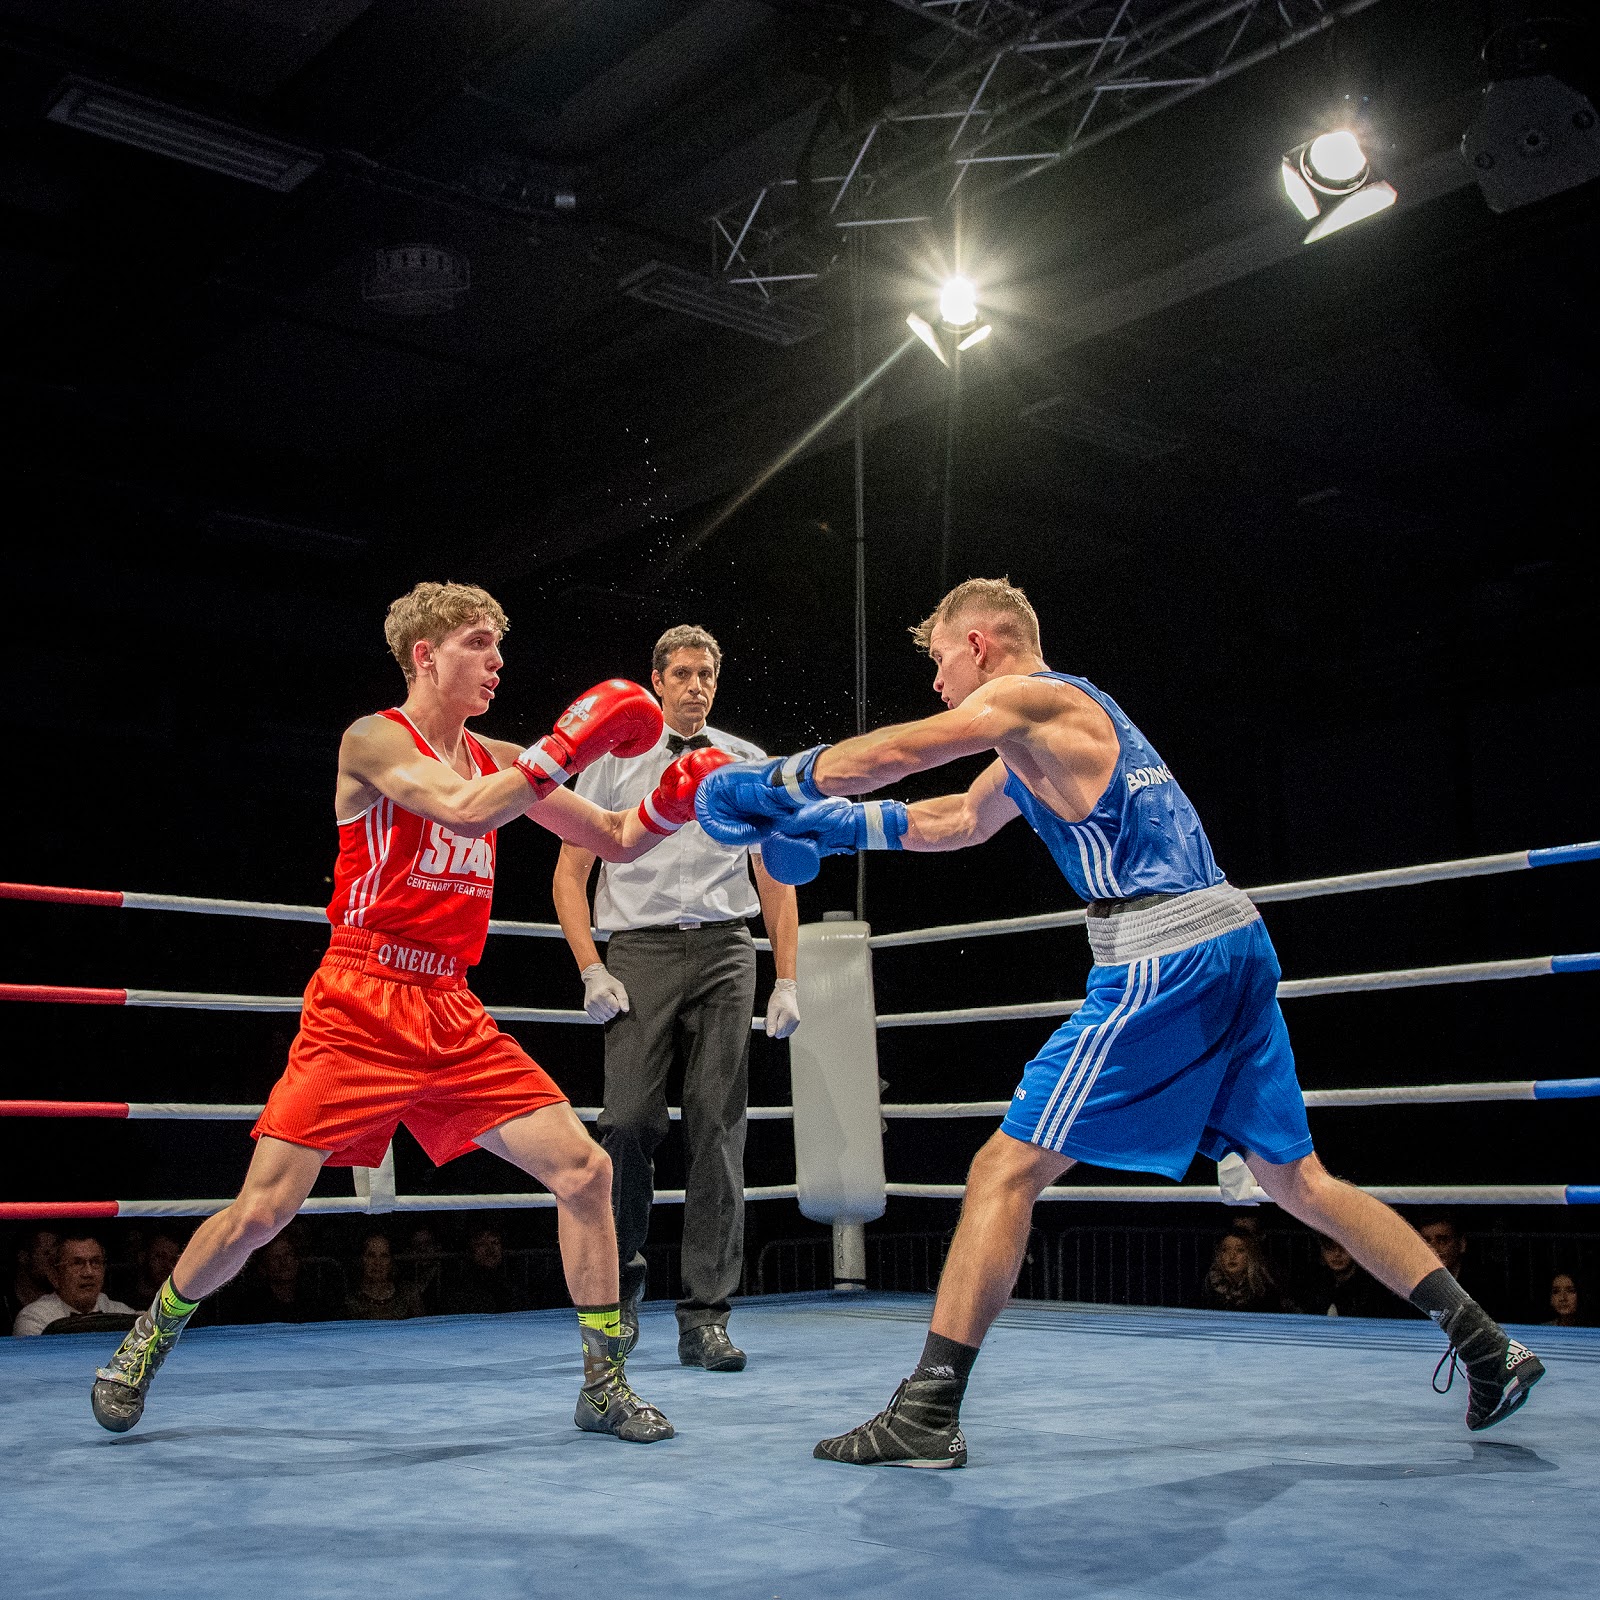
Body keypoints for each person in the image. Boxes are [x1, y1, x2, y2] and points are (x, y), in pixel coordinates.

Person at [696, 576, 1545, 1466]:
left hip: (1165, 958)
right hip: (1230, 940)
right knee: (1297, 1180)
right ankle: (1488, 1347)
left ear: (980, 645)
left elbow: (901, 752)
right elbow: (957, 820)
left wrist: (774, 780)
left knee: (1003, 1170)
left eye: (942, 659)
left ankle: (928, 1411)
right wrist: (832, 827)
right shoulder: (1048, 731)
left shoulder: (1031, 699)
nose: (938, 681)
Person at [90, 580, 730, 1444]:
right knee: (264, 1211)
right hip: (359, 1002)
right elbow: (462, 810)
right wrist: (563, 747)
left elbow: (613, 839)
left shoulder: (504, 756)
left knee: (586, 1171)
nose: (498, 662)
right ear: (425, 656)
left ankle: (604, 1385)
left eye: (499, 646)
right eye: (478, 643)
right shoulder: (372, 740)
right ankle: (148, 1337)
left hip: (450, 1008)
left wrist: (681, 801)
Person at [552, 624, 800, 1372]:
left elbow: (775, 875)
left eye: (707, 674)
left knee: (718, 1132)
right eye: (683, 673)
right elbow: (569, 874)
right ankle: (618, 1296)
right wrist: (590, 967)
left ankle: (706, 1318)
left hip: (726, 950)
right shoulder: (610, 759)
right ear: (656, 680)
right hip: (640, 951)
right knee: (627, 1122)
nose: (696, 686)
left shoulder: (747, 762)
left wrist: (787, 977)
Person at [13, 1235, 134, 1336]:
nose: (88, 1273)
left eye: (95, 1262)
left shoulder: (124, 1315)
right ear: (54, 1275)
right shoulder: (35, 1319)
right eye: (77, 1263)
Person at [226, 1228, 341, 1324]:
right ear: (263, 1268)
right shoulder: (253, 1306)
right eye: (275, 1258)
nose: (284, 1262)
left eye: (288, 1254)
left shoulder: (313, 1298)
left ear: (297, 1259)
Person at [1303, 1233, 1395, 1318]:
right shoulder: (1317, 1282)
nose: (1337, 1253)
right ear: (1322, 1252)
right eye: (1330, 1247)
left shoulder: (1370, 1287)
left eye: (1343, 1246)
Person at [1201, 1231, 1296, 1314]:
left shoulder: (1263, 1286)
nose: (1232, 1256)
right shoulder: (1210, 1283)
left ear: (1250, 1255)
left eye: (1240, 1250)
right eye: (1225, 1250)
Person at [444, 1225, 529, 1315]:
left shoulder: (511, 1286)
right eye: (481, 1244)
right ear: (469, 1251)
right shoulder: (461, 1290)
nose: (490, 1250)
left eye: (495, 1243)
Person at [344, 1231, 425, 1321]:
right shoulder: (350, 1300)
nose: (378, 1262)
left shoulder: (408, 1295)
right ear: (362, 1259)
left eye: (384, 1256)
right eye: (371, 1255)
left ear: (391, 1261)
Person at [3, 1228, 59, 1332]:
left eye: (57, 1255)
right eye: (47, 1254)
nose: (54, 1262)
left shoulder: (66, 1299)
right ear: (23, 1257)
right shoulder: (5, 1303)